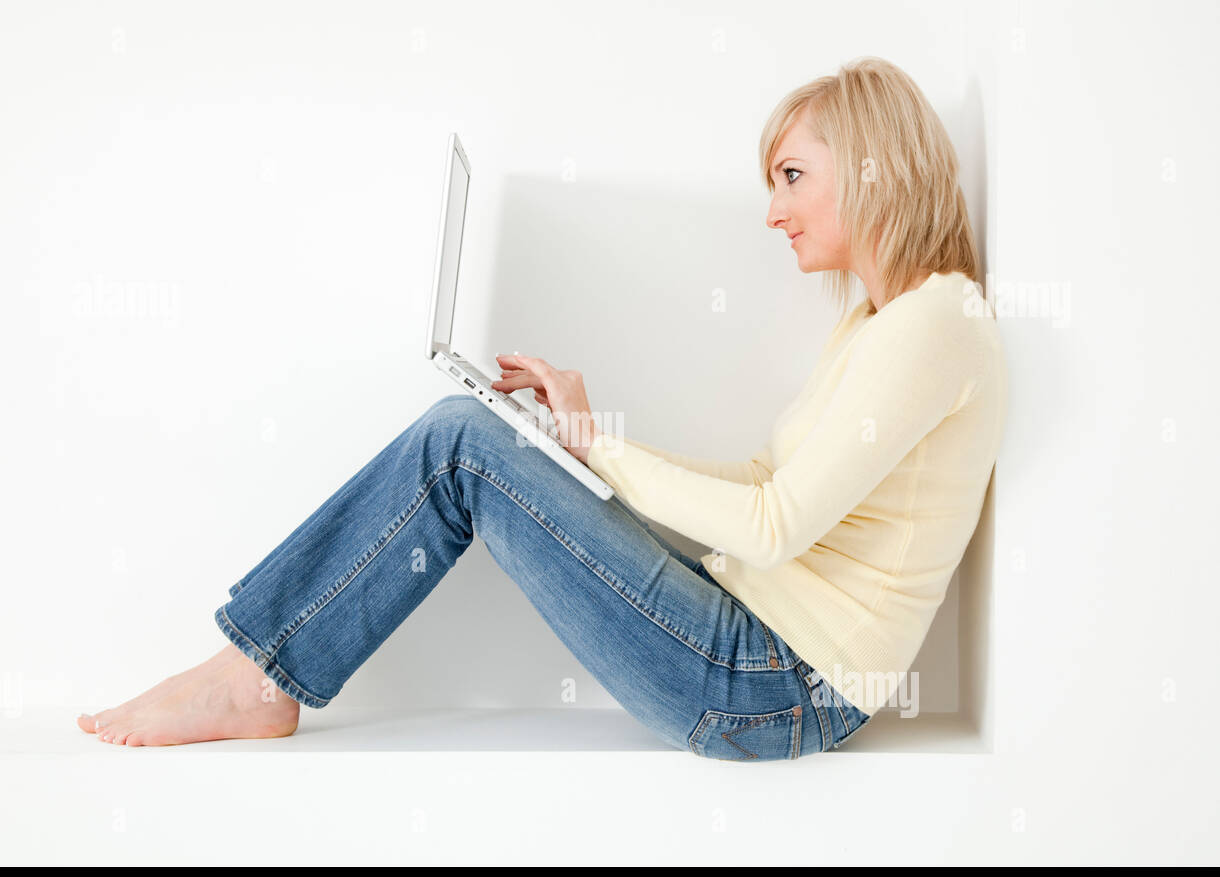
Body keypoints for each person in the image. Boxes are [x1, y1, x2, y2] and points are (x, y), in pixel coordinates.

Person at [77, 56, 1006, 760]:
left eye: (792, 176)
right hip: (752, 645)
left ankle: (255, 679)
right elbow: (769, 485)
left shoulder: (936, 322)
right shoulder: (889, 322)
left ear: (876, 167)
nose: (773, 210)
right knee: (476, 442)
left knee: (462, 445)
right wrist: (591, 449)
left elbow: (772, 526)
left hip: (774, 689)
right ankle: (258, 671)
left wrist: (599, 448)